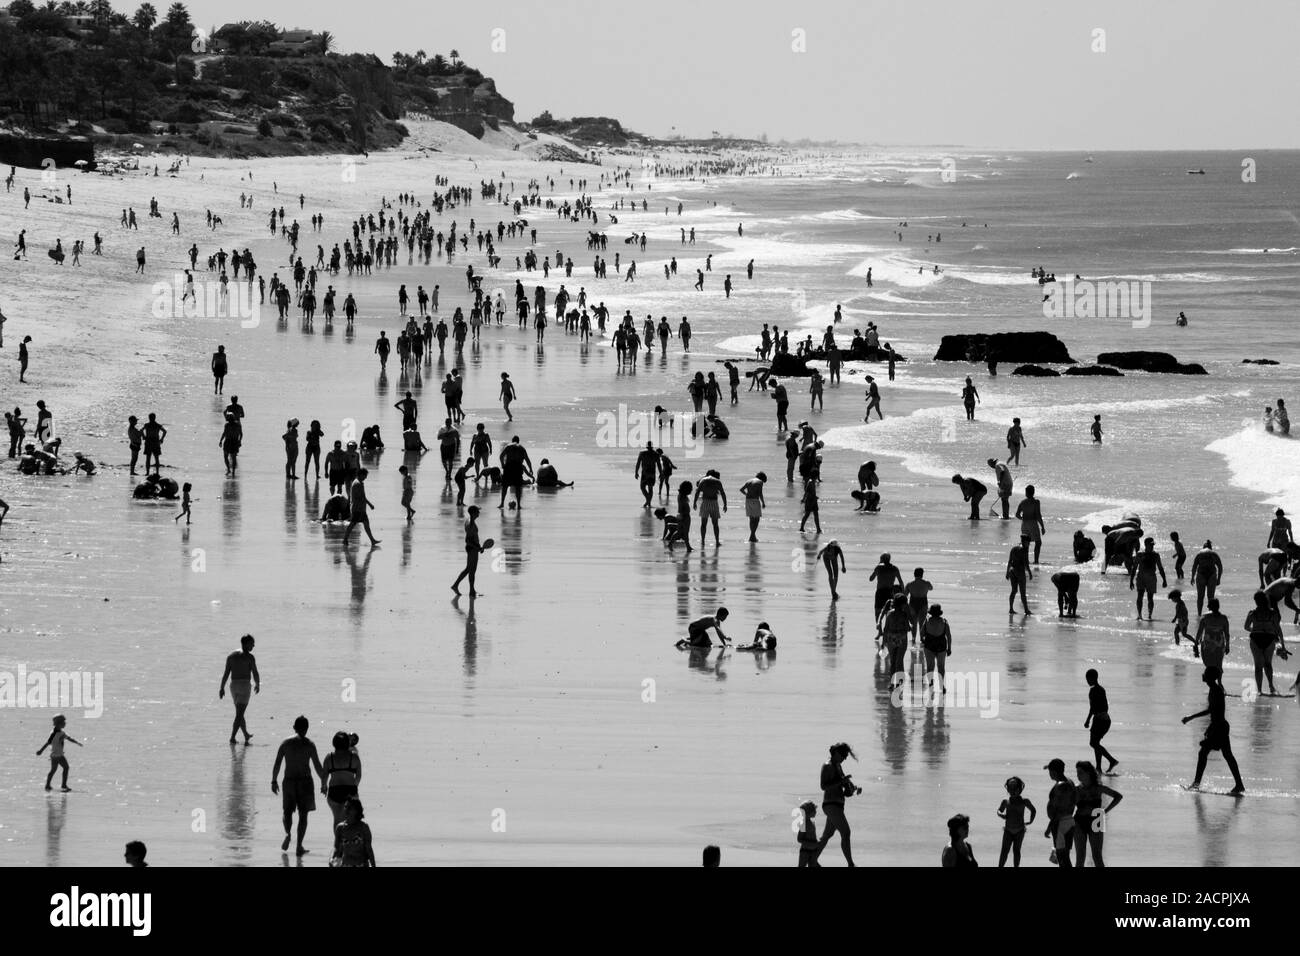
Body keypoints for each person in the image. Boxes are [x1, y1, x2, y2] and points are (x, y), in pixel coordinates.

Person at [1182, 668, 1244, 794]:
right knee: (1227, 756)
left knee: (1204, 753)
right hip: (1220, 726)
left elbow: (1212, 710)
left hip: (1219, 727)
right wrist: (1209, 727)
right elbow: (1214, 712)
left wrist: (1191, 717)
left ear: (1209, 677)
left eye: (1205, 674)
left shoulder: (1216, 691)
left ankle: (1196, 784)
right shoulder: (1214, 689)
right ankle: (1239, 785)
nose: (1203, 675)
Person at [271, 715, 327, 855]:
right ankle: (299, 846)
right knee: (303, 816)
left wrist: (273, 780)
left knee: (287, 811)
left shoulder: (285, 743)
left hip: (289, 781)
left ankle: (288, 834)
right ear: (307, 729)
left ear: (294, 727)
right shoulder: (310, 745)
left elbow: (277, 763)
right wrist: (324, 783)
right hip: (305, 782)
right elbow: (317, 766)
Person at [816, 743, 860, 866]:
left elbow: (845, 791)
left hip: (837, 805)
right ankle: (851, 864)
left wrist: (852, 789)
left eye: (846, 756)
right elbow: (823, 786)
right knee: (846, 833)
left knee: (826, 836)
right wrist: (842, 781)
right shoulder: (828, 766)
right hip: (831, 805)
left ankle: (812, 860)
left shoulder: (838, 766)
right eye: (844, 755)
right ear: (836, 753)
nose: (845, 758)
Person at [1072, 761, 1122, 867]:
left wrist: (1105, 811)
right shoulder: (1076, 789)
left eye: (1080, 772)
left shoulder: (1098, 788)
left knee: (1097, 856)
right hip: (1079, 822)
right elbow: (1068, 805)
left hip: (1096, 821)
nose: (1078, 775)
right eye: (1077, 773)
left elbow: (1118, 796)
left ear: (1089, 773)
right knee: (1080, 857)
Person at [219, 634, 260, 744]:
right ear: (246, 644)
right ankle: (232, 737)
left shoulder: (231, 656)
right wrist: (257, 684)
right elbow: (255, 672)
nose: (254, 645)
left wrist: (222, 688)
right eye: (252, 643)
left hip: (233, 686)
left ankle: (246, 734)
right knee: (239, 714)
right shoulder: (250, 657)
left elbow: (226, 674)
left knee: (239, 712)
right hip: (244, 686)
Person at [1244, 590, 1287, 696]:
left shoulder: (1252, 613)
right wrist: (1283, 645)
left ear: (1256, 601)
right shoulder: (1272, 613)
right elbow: (1278, 630)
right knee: (1268, 664)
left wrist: (1255, 630)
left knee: (1258, 666)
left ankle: (1259, 690)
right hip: (1269, 639)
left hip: (1255, 639)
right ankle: (1271, 687)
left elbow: (1246, 627)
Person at [321, 731, 363, 827]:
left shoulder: (329, 757)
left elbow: (324, 776)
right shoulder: (354, 757)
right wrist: (354, 786)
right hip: (350, 791)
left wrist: (324, 787)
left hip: (334, 791)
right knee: (351, 819)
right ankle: (349, 840)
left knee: (337, 819)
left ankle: (338, 840)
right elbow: (359, 776)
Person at [996, 777, 1036, 868]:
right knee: (1004, 851)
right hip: (1008, 830)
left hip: (1020, 830)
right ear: (1008, 789)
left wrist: (1030, 821)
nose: (1012, 791)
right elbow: (999, 810)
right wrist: (1000, 814)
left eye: (1015, 789)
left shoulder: (1024, 801)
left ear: (1020, 789)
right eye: (1010, 788)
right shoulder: (1006, 801)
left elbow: (1033, 810)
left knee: (1016, 851)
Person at [1083, 669, 1118, 773]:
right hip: (1105, 719)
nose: (1087, 681)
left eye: (1088, 679)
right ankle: (1098, 767)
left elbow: (1092, 708)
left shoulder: (1093, 691)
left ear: (1093, 678)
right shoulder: (1101, 689)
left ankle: (1111, 760)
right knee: (1096, 743)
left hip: (1100, 720)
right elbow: (1105, 707)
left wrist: (1087, 721)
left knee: (1093, 743)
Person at [1043, 759, 1076, 867]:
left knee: (1062, 857)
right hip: (1069, 821)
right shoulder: (1070, 782)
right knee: (1064, 856)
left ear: (1054, 771)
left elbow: (1059, 810)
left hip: (1060, 823)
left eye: (1050, 771)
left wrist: (1049, 826)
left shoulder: (1060, 786)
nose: (1049, 774)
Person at [36, 714, 81, 791]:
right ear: (58, 724)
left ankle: (47, 785)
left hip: (54, 755)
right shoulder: (54, 733)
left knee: (53, 770)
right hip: (58, 755)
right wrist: (41, 750)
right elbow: (48, 742)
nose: (65, 724)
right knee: (66, 767)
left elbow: (68, 738)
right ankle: (63, 785)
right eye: (63, 722)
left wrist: (76, 742)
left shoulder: (61, 732)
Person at [452, 506, 489, 596]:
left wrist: (478, 547)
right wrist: (477, 547)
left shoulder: (469, 521)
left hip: (473, 549)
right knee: (471, 570)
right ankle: (465, 588)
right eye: (477, 512)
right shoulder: (471, 524)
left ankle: (467, 588)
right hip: (472, 549)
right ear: (473, 513)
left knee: (469, 569)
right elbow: (468, 540)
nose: (479, 513)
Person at [1129, 537, 1168, 620]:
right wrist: (1131, 581)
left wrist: (1164, 580)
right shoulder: (1140, 554)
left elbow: (1160, 568)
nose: (1152, 546)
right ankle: (1139, 615)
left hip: (1151, 578)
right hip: (1141, 577)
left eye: (1153, 544)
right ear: (1146, 544)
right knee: (1140, 595)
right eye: (1151, 544)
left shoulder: (1156, 555)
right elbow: (1134, 568)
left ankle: (1150, 615)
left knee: (1150, 597)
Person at [331, 797, 376, 867]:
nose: (346, 810)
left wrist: (373, 865)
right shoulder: (340, 828)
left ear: (357, 810)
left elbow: (369, 849)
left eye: (350, 808)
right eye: (345, 807)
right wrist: (332, 859)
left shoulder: (363, 828)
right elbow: (336, 848)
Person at [342, 468, 380, 546]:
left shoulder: (358, 482)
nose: (365, 478)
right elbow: (362, 497)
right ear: (361, 474)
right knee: (352, 524)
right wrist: (370, 504)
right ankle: (345, 539)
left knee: (366, 524)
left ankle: (372, 540)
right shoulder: (357, 484)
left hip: (360, 508)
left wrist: (368, 505)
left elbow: (362, 497)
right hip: (358, 508)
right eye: (365, 476)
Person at [1194, 598, 1230, 679]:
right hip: (1219, 644)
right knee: (1218, 663)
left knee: (1209, 664)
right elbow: (1227, 634)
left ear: (1209, 607)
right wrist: (1227, 646)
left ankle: (1211, 680)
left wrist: (1196, 643)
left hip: (1207, 644)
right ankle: (1219, 682)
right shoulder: (1223, 618)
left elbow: (1199, 633)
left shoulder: (1205, 618)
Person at [919, 604, 952, 691]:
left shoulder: (927, 620)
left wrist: (923, 640)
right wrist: (949, 648)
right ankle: (942, 686)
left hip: (929, 645)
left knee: (930, 666)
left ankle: (930, 683)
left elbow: (921, 633)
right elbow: (949, 636)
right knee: (941, 667)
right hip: (941, 646)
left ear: (931, 612)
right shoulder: (944, 622)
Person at [694, 470, 727, 547]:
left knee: (703, 524)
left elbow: (697, 491)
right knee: (715, 524)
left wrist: (694, 502)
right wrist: (725, 504)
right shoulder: (717, 481)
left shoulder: (703, 480)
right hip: (714, 503)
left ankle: (702, 541)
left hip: (705, 502)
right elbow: (722, 493)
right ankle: (717, 541)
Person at [1190, 541, 1223, 615]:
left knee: (1200, 597)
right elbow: (1220, 567)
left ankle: (1199, 614)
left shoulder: (1199, 553)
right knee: (1211, 597)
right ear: (1211, 547)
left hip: (1201, 575)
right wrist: (1219, 578)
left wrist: (1192, 577)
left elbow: (1194, 567)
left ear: (1203, 547)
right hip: (1212, 575)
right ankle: (1210, 614)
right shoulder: (1214, 554)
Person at [1015, 485, 1045, 564]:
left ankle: (1026, 561)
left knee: (1025, 543)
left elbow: (1017, 515)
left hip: (1024, 524)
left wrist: (1023, 519)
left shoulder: (1023, 502)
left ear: (1026, 493)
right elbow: (1038, 515)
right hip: (1032, 523)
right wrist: (1042, 526)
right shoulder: (1036, 502)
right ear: (1033, 492)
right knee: (1038, 542)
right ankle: (1036, 561)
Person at [1007, 535, 1032, 614]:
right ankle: (1026, 610)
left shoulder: (1014, 548)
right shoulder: (1024, 550)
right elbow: (1026, 563)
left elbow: (1010, 561)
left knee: (1014, 591)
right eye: (1028, 543)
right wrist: (1030, 573)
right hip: (1020, 572)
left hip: (1012, 571)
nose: (1029, 544)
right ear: (1025, 542)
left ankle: (1011, 609)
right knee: (1023, 592)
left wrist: (1007, 572)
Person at [739, 472, 766, 542]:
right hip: (755, 500)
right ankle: (752, 536)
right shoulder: (760, 482)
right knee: (757, 519)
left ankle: (752, 536)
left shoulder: (749, 481)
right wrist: (763, 502)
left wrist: (746, 494)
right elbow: (760, 493)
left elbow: (741, 489)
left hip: (748, 500)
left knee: (751, 519)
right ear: (762, 478)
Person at [796, 802, 821, 867]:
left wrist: (817, 843)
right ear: (808, 813)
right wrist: (811, 844)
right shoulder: (803, 824)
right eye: (814, 810)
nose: (815, 812)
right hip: (805, 851)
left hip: (813, 851)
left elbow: (813, 836)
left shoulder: (812, 823)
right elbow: (799, 839)